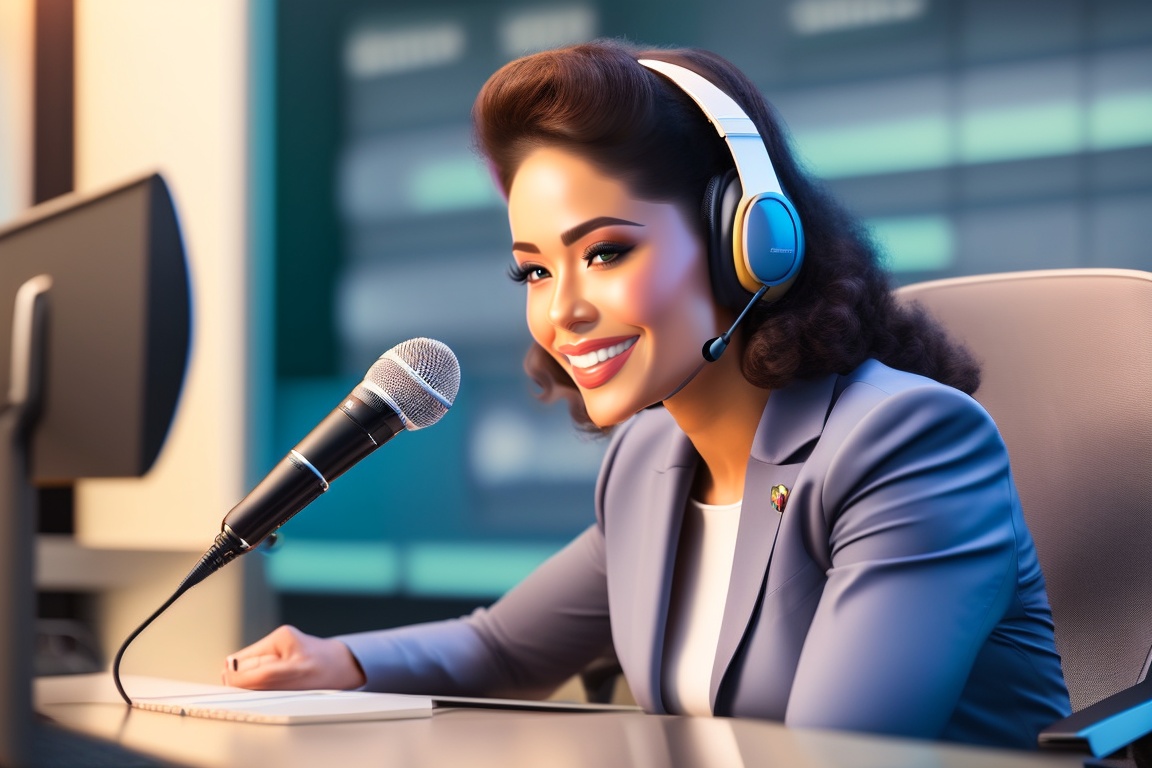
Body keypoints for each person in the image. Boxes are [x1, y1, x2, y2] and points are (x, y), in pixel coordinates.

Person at [223, 39, 1070, 749]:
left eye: (604, 253)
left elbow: (827, 757)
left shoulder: (906, 444)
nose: (562, 311)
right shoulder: (651, 461)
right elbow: (506, 648)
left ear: (749, 241)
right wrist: (340, 663)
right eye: (535, 270)